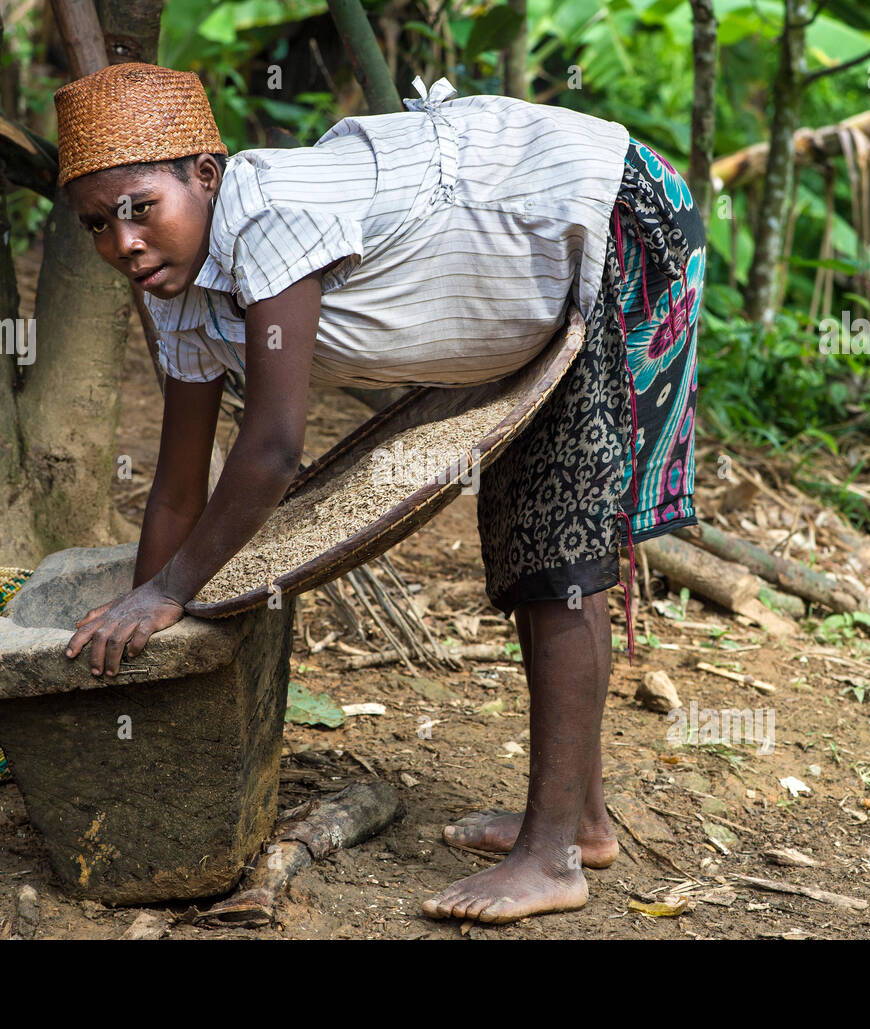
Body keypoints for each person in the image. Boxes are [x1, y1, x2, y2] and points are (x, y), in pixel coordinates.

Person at [57, 61, 705, 924]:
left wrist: (171, 592)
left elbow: (275, 447)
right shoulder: (176, 291)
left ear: (203, 175)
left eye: (141, 207)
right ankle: (577, 820)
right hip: (535, 289)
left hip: (605, 213)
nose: (123, 242)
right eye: (98, 224)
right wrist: (148, 628)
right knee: (530, 543)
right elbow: (178, 489)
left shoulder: (267, 216)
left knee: (561, 551)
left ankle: (552, 856)